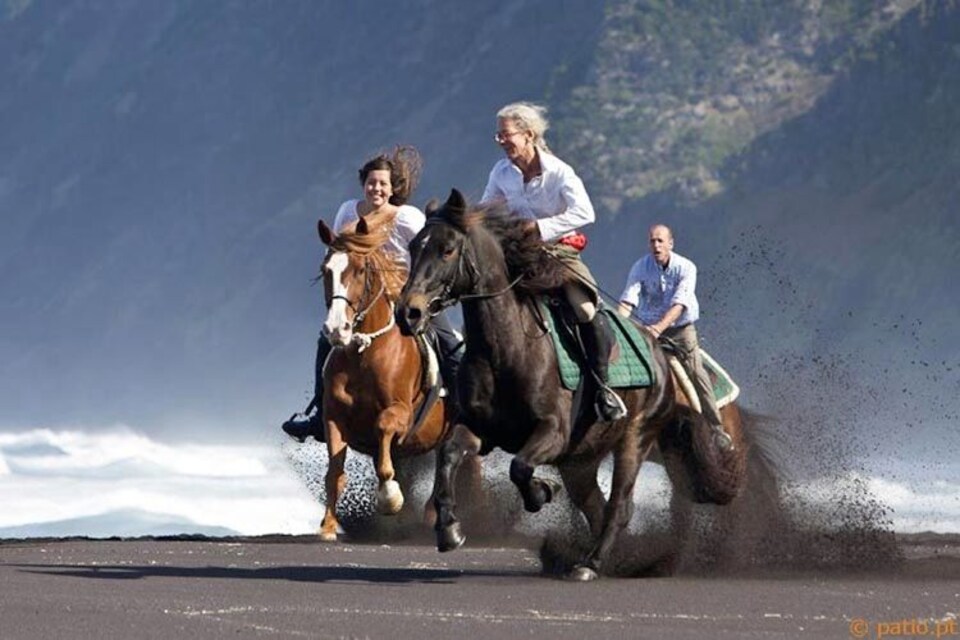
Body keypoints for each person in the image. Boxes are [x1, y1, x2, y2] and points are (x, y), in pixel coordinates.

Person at [282, 146, 463, 442]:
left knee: (450, 341)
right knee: (325, 339)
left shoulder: (407, 217)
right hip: (364, 295)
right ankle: (319, 413)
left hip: (408, 295)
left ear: (392, 188)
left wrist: (414, 287)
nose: (376, 188)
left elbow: (425, 255)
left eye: (382, 183)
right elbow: (341, 252)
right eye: (371, 182)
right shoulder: (348, 211)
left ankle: (462, 409)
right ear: (363, 184)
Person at [480, 102, 626, 422]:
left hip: (559, 253)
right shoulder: (500, 172)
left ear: (529, 134)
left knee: (586, 309)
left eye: (506, 135)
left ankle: (603, 388)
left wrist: (539, 227)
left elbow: (585, 213)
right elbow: (487, 209)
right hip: (517, 256)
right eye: (498, 136)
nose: (501, 141)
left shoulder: (560, 172)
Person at [617, 224, 733, 451]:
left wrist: (659, 328)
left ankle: (717, 430)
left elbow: (680, 304)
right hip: (649, 331)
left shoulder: (686, 268)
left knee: (697, 373)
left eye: (660, 241)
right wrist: (619, 326)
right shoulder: (640, 267)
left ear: (671, 243)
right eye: (652, 241)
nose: (656, 245)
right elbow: (627, 301)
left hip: (680, 331)